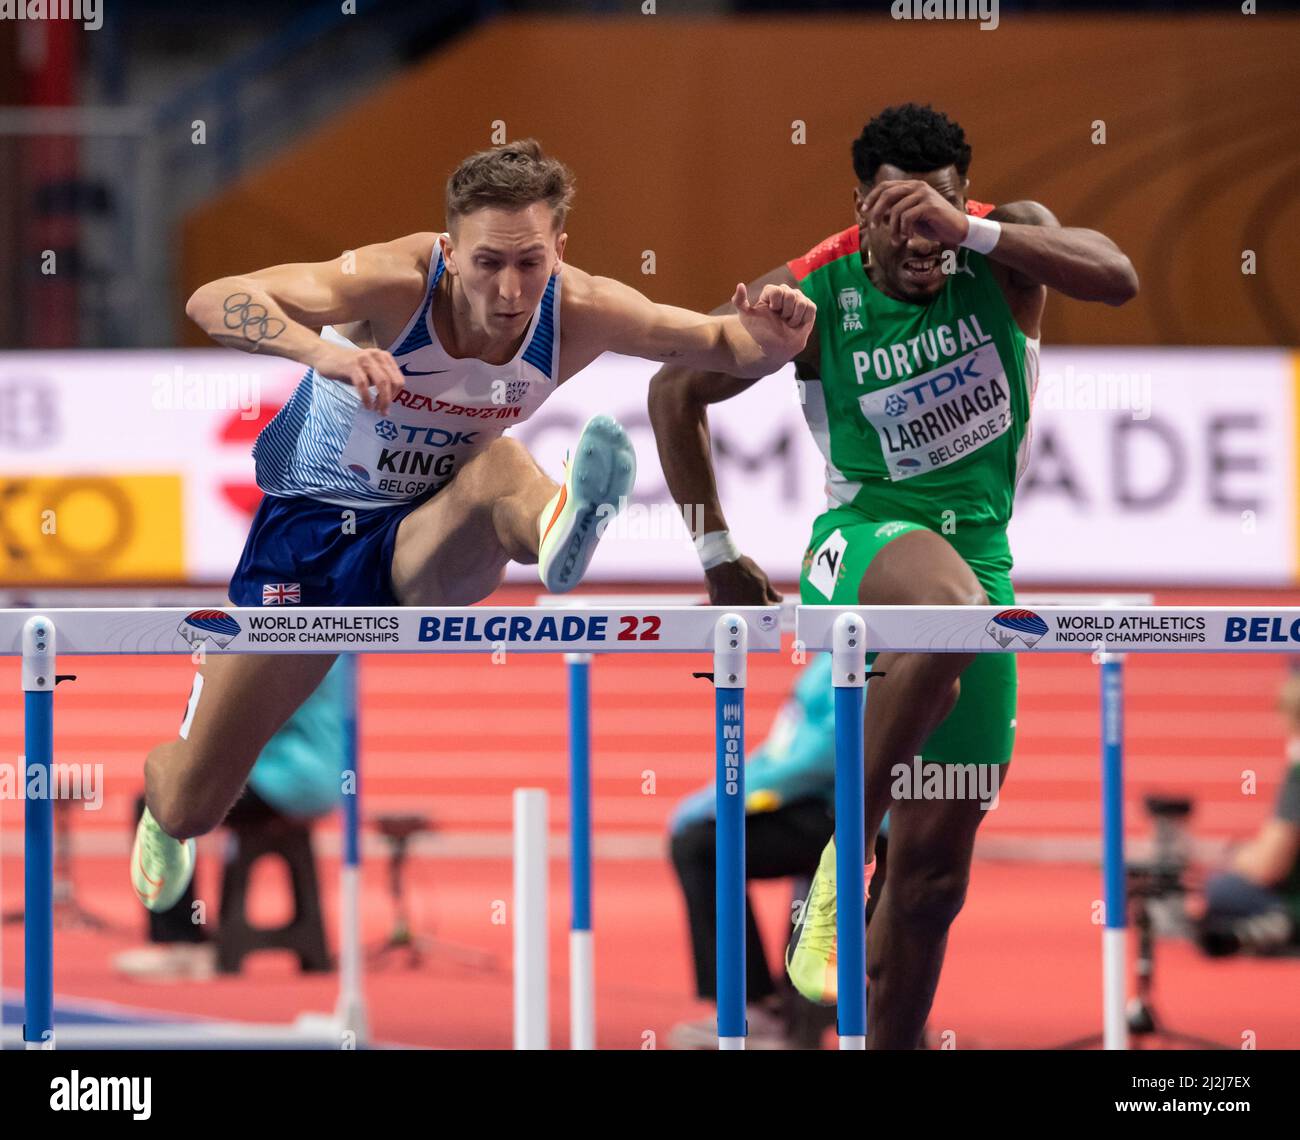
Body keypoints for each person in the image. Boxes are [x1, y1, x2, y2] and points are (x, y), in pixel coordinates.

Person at [132, 139, 815, 915]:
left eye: (530, 262)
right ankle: (162, 809)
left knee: (501, 469)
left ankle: (557, 530)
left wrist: (778, 339)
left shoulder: (584, 308)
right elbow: (214, 298)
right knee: (195, 799)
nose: (511, 288)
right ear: (450, 250)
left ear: (560, 249)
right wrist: (321, 352)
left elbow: (722, 342)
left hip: (430, 540)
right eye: (487, 262)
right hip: (311, 537)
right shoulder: (392, 282)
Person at [649, 104, 1138, 1047]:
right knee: (947, 617)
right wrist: (717, 555)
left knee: (928, 886)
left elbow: (1117, 280)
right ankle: (841, 851)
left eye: (940, 213)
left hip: (985, 566)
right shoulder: (811, 290)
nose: (925, 240)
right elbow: (674, 389)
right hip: (863, 544)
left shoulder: (1004, 244)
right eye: (900, 215)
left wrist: (973, 230)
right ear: (860, 206)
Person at [667, 654, 891, 1049]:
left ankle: (753, 1007)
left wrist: (726, 798)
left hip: (859, 820)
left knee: (700, 846)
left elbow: (824, 754)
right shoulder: (829, 655)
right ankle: (760, 1005)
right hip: (825, 807)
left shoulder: (866, 652)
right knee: (702, 840)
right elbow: (786, 749)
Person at [118, 657, 349, 979]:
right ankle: (191, 938)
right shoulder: (325, 639)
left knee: (161, 802)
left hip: (287, 778)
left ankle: (182, 945)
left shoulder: (291, 652)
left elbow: (238, 713)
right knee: (184, 791)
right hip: (316, 777)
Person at [1198, 672, 1300, 957]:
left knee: (1219, 888)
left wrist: (1239, 857)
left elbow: (1270, 865)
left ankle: (1282, 926)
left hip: (1291, 899)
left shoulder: (1298, 775)